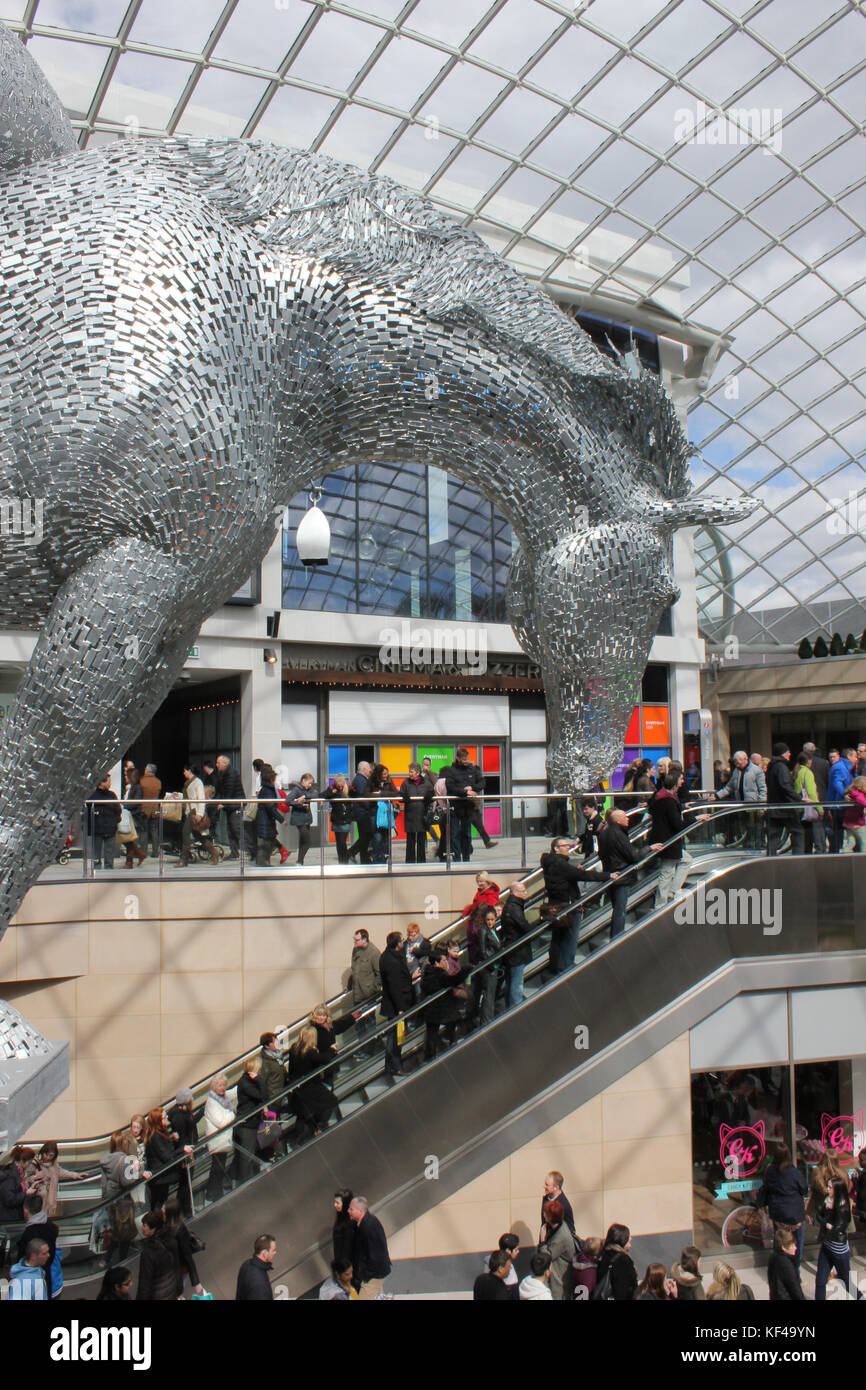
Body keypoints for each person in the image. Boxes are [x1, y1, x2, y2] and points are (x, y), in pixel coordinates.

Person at [540, 836, 610, 973]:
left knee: (558, 938)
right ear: (556, 849)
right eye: (565, 846)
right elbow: (583, 875)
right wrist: (607, 876)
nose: (568, 848)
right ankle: (566, 969)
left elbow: (567, 876)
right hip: (568, 907)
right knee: (569, 940)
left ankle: (555, 967)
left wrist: (572, 870)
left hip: (555, 906)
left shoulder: (550, 863)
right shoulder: (561, 864)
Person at [758, 1142, 808, 1267]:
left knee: (780, 1243)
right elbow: (804, 1189)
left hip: (778, 1214)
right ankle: (795, 1272)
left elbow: (768, 1188)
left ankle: (782, 1270)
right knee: (797, 1243)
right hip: (795, 1214)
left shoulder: (770, 1171)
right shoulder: (793, 1172)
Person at [445, 747, 498, 860]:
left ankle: (466, 857)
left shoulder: (472, 769)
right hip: (455, 806)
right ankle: (457, 859)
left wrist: (473, 788)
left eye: (466, 759)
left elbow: (482, 782)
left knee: (467, 834)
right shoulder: (451, 771)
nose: (465, 761)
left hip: (468, 807)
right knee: (454, 834)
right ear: (458, 759)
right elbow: (450, 787)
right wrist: (465, 792)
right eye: (463, 759)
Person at [814, 1175, 861, 1301]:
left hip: (838, 1251)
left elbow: (837, 1230)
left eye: (830, 1187)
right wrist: (826, 1224)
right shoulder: (827, 1200)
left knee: (847, 1283)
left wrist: (827, 1226)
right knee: (820, 1280)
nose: (827, 1189)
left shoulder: (842, 1207)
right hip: (826, 1246)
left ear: (837, 1190)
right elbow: (818, 1216)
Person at [288, 1025, 337, 1142]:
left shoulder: (294, 1048)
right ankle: (320, 1127)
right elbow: (324, 1059)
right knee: (330, 1101)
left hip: (297, 1085)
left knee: (303, 1114)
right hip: (310, 1087)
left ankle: (299, 1139)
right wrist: (332, 1049)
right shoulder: (310, 1052)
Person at [420, 948, 468, 1058]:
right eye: (444, 961)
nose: (446, 963)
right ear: (437, 963)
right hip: (442, 1008)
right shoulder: (440, 974)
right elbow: (453, 980)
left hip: (431, 1011)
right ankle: (452, 1044)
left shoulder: (427, 974)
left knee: (432, 1032)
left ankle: (430, 1056)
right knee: (454, 1022)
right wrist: (465, 970)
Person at [598, 807, 638, 939]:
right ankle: (617, 937)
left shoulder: (603, 834)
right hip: (622, 875)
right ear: (618, 821)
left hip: (609, 874)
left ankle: (615, 935)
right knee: (620, 910)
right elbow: (632, 855)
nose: (628, 818)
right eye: (625, 816)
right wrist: (648, 849)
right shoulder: (619, 834)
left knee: (616, 908)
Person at [379, 930, 414, 1075]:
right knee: (396, 1037)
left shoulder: (386, 956)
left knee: (394, 1036)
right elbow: (395, 987)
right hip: (397, 1006)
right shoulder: (392, 961)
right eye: (402, 940)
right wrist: (401, 1008)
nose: (403, 942)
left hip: (393, 1004)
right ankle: (396, 1066)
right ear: (397, 944)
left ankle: (391, 1065)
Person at [144, 1108, 190, 1212]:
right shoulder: (155, 1136)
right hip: (161, 1176)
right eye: (164, 1118)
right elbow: (167, 1156)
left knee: (160, 1201)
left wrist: (173, 1140)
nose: (167, 1119)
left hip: (161, 1176)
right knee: (159, 1202)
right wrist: (181, 1149)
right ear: (158, 1121)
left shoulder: (157, 1133)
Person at [15, 1194, 60, 1297]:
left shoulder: (29, 1233)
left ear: (26, 1211)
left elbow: (22, 1258)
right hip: (46, 1277)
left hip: (31, 1280)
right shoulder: (49, 1226)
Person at [348, 1196, 391, 1299]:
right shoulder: (365, 1223)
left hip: (373, 1276)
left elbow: (375, 1255)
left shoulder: (368, 1226)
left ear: (360, 1211)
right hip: (376, 1274)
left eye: (351, 1209)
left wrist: (366, 1275)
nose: (348, 1211)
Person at [163, 1195, 205, 1297]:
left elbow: (187, 1256)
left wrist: (196, 1282)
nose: (162, 1211)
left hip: (179, 1269)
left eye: (164, 1210)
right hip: (172, 1268)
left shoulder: (180, 1230)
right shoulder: (167, 1226)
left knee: (176, 1293)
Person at [204, 1073, 237, 1202]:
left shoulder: (223, 1098)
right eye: (219, 1085)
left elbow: (234, 1092)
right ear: (213, 1087)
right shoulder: (212, 1102)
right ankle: (211, 1195)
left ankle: (216, 1193)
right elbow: (221, 1122)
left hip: (223, 1141)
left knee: (219, 1168)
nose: (222, 1088)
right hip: (217, 1142)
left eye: (224, 1085)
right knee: (217, 1169)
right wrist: (233, 1114)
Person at [24, 1140, 79, 1218]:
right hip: (38, 1200)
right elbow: (26, 1178)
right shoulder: (34, 1164)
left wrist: (75, 1175)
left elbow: (61, 1172)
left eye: (51, 1155)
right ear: (43, 1152)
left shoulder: (54, 1165)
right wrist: (35, 1177)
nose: (48, 1158)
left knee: (47, 1217)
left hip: (50, 1200)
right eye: (46, 1154)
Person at [136, 1209, 182, 1301]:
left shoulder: (148, 1252)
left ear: (153, 1229)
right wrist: (178, 1289)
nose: (142, 1228)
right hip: (171, 1291)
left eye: (144, 1226)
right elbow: (176, 1266)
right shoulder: (171, 1240)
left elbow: (145, 1283)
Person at [466, 905, 501, 1026]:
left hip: (494, 965)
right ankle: (487, 1021)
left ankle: (487, 1019)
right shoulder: (483, 931)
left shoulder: (493, 930)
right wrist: (490, 965)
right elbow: (482, 951)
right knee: (488, 995)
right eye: (488, 920)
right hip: (489, 967)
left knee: (490, 994)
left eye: (492, 919)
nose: (490, 922)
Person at [234, 1055, 267, 1181]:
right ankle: (245, 1182)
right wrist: (259, 1080)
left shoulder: (248, 1082)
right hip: (247, 1125)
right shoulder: (246, 1082)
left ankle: (246, 1179)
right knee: (246, 1156)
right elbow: (263, 1094)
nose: (260, 1071)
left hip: (251, 1122)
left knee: (248, 1155)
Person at [499, 880, 532, 1007]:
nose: (526, 893)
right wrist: (539, 921)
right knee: (516, 983)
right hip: (517, 950)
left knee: (511, 981)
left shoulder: (510, 906)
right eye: (523, 890)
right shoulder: (514, 908)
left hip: (511, 949)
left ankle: (510, 1007)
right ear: (516, 893)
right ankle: (515, 1009)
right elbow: (524, 926)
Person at [349, 928, 381, 1051]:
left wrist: (373, 989)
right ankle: (362, 1049)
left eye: (357, 940)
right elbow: (354, 969)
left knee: (369, 1023)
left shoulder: (374, 953)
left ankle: (370, 1050)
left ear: (364, 939)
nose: (355, 943)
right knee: (358, 1024)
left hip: (368, 995)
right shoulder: (355, 950)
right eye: (354, 940)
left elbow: (379, 974)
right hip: (357, 994)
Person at [539, 1199, 574, 1301]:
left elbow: (547, 1256)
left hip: (559, 1281)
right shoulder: (554, 1227)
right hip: (554, 1277)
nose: (543, 1214)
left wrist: (542, 1242)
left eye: (545, 1213)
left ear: (550, 1217)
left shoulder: (562, 1236)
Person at [213, 754, 246, 860]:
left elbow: (229, 790)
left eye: (218, 763)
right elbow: (220, 789)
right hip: (230, 806)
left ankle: (253, 849)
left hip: (235, 805)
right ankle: (234, 852)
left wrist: (223, 803)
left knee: (237, 829)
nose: (217, 765)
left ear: (225, 763)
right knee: (230, 830)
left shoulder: (231, 773)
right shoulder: (222, 773)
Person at [593, 1224, 638, 1301]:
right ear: (623, 1239)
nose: (630, 1238)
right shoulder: (623, 1260)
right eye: (628, 1236)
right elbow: (624, 1288)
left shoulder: (603, 1255)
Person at [86, 773, 121, 869]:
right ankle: (96, 870)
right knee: (96, 853)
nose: (110, 784)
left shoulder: (112, 795)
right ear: (101, 783)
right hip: (97, 828)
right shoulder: (92, 796)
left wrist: (115, 821)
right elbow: (88, 813)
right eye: (109, 782)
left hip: (110, 828)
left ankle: (108, 870)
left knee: (109, 853)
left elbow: (118, 810)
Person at [368, 763, 400, 863]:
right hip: (375, 813)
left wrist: (382, 794)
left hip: (387, 813)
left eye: (387, 773)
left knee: (386, 837)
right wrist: (376, 796)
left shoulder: (389, 781)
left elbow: (395, 793)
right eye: (384, 774)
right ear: (379, 774)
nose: (386, 775)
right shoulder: (371, 782)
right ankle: (376, 859)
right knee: (377, 837)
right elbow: (367, 794)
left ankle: (384, 859)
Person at [401, 762, 433, 863]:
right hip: (410, 815)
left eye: (411, 771)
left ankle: (421, 861)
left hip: (422, 815)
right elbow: (401, 795)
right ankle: (409, 862)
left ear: (418, 772)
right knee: (410, 840)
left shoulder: (426, 783)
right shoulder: (406, 783)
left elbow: (432, 792)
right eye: (409, 771)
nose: (409, 774)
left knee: (421, 839)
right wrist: (403, 798)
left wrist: (429, 797)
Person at [827, 747, 856, 853]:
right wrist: (844, 794)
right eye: (855, 756)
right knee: (838, 831)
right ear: (849, 756)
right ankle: (836, 852)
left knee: (840, 831)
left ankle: (838, 850)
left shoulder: (847, 767)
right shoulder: (840, 767)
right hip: (839, 805)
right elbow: (837, 783)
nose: (856, 759)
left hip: (841, 804)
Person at [254, 764, 285, 866]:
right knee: (266, 843)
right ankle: (263, 864)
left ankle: (263, 863)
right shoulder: (268, 790)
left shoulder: (266, 789)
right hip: (265, 821)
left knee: (268, 842)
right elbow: (271, 807)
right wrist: (281, 819)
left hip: (265, 820)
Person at [792, 751, 822, 855]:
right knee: (808, 837)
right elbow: (811, 793)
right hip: (806, 809)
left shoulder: (796, 771)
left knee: (801, 837)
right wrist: (819, 808)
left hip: (797, 808)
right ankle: (807, 858)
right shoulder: (807, 772)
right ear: (809, 761)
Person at [284, 771, 316, 866]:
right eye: (308, 783)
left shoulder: (309, 790)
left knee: (303, 841)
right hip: (299, 818)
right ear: (303, 780)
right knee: (307, 841)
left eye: (311, 783)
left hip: (307, 818)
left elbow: (316, 794)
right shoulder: (296, 789)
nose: (310, 785)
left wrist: (305, 796)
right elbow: (288, 800)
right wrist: (299, 803)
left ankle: (300, 861)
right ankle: (299, 861)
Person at [767, 1227, 806, 1301]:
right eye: (792, 1245)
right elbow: (795, 1289)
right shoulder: (786, 1264)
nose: (795, 1248)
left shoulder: (773, 1256)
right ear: (784, 1248)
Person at [236, 1233, 276, 1300]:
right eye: (273, 1250)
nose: (275, 1252)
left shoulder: (246, 1264)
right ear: (265, 1253)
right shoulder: (260, 1286)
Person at [324, 773, 354, 864]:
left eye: (342, 786)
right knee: (339, 842)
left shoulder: (348, 789)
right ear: (336, 784)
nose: (340, 788)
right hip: (336, 819)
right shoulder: (332, 789)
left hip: (345, 819)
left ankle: (345, 861)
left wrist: (352, 789)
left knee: (342, 841)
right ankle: (342, 861)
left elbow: (358, 794)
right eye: (338, 786)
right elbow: (322, 795)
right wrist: (330, 792)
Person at [349, 760, 374, 863]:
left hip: (362, 812)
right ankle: (351, 853)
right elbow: (363, 797)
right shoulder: (360, 780)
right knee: (365, 836)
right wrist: (370, 806)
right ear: (364, 769)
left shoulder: (361, 779)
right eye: (369, 769)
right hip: (362, 813)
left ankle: (364, 858)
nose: (370, 771)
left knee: (366, 836)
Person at [482, 1233, 520, 1300]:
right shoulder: (507, 1271)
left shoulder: (490, 1261)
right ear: (508, 1251)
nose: (518, 1252)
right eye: (516, 1250)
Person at [0, 1145, 32, 1222]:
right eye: (29, 1162)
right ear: (22, 1161)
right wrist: (26, 1193)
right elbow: (10, 1200)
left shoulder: (20, 1174)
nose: (30, 1165)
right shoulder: (9, 1175)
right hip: (9, 1219)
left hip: (15, 1216)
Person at [137, 763, 163, 858]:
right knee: (155, 830)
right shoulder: (158, 782)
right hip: (155, 808)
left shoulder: (142, 781)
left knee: (143, 831)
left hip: (144, 809)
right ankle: (155, 851)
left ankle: (143, 852)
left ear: (147, 770)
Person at [541, 1170, 576, 1238]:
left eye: (547, 1185)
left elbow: (570, 1229)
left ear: (556, 1187)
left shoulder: (563, 1205)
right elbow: (543, 1223)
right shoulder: (546, 1199)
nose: (544, 1186)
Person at [404, 920, 432, 993]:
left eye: (413, 935)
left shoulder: (424, 942)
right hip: (408, 973)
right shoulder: (406, 944)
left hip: (419, 972)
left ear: (418, 933)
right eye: (409, 935)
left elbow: (426, 951)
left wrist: (414, 951)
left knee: (418, 992)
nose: (411, 938)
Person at [333, 1188, 355, 1267]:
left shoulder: (350, 1222)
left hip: (349, 1264)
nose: (335, 1205)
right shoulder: (341, 1218)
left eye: (337, 1203)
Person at [843, 774, 866, 852]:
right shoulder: (858, 795)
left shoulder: (852, 792)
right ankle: (864, 856)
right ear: (860, 787)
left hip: (848, 822)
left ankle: (846, 854)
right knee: (864, 841)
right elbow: (863, 802)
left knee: (851, 842)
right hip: (857, 823)